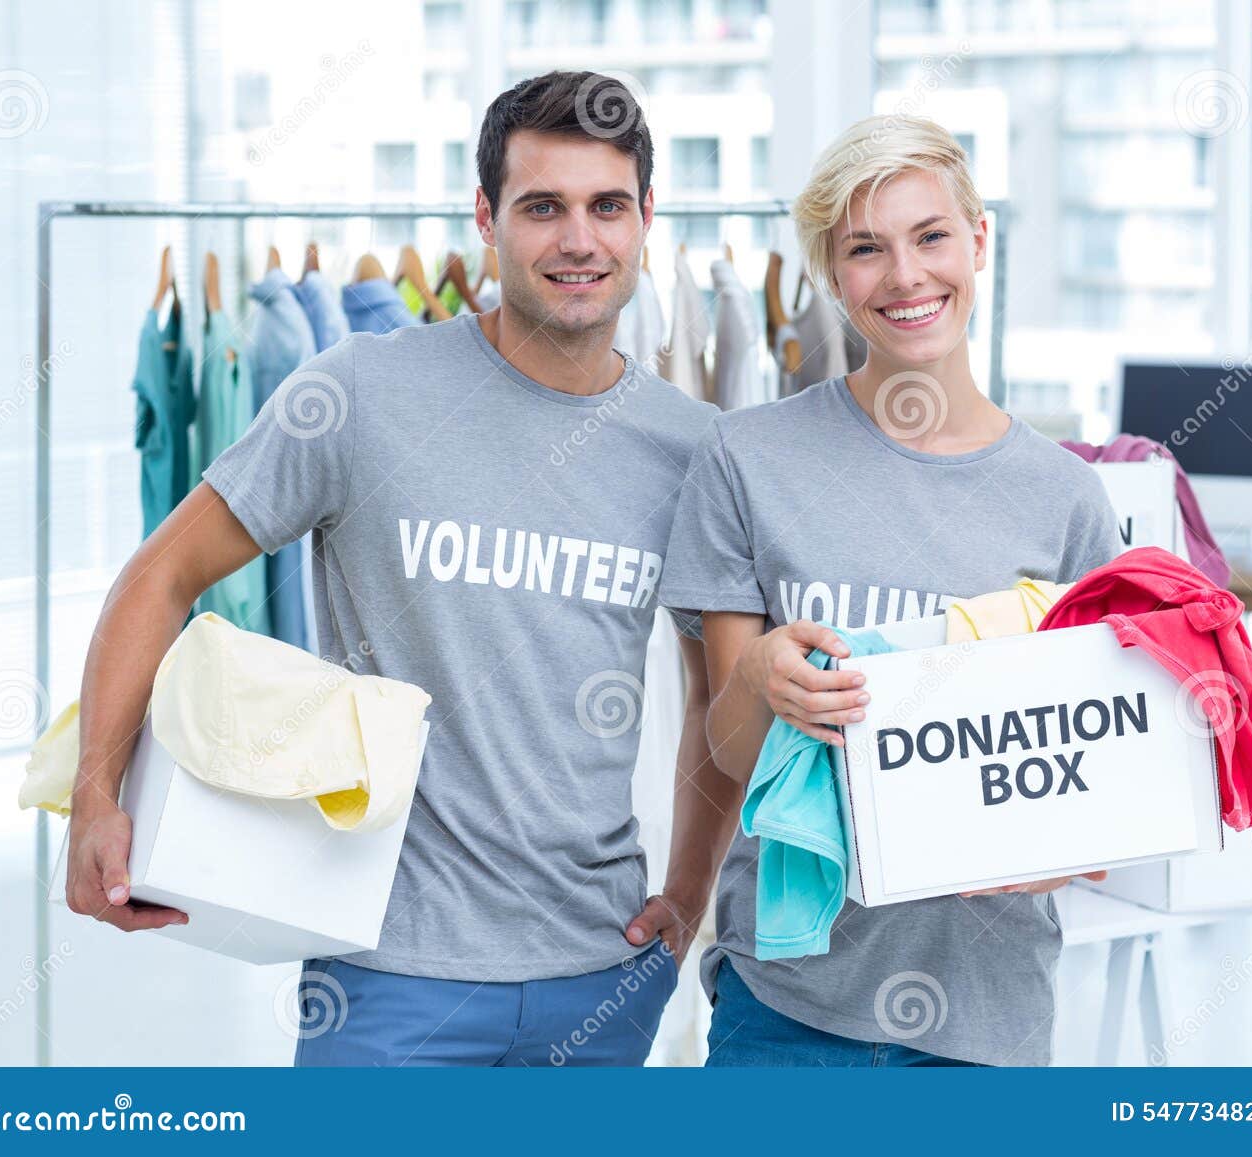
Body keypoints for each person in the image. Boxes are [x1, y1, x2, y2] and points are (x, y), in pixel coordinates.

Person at [64, 71, 743, 1066]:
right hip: (386, 974)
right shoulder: (360, 393)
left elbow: (715, 688)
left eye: (606, 206)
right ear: (486, 218)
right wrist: (95, 794)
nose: (578, 240)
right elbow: (158, 576)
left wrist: (688, 892)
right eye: (541, 208)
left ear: (646, 217)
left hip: (603, 973)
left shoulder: (695, 447)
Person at [659, 115, 1123, 1067]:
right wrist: (763, 681)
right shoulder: (747, 458)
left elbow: (1101, 777)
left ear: (979, 240)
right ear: (834, 277)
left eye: (931, 236)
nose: (907, 276)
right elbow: (729, 747)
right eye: (867, 249)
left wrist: (1069, 847)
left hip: (985, 1016)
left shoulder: (1068, 499)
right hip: (787, 1009)